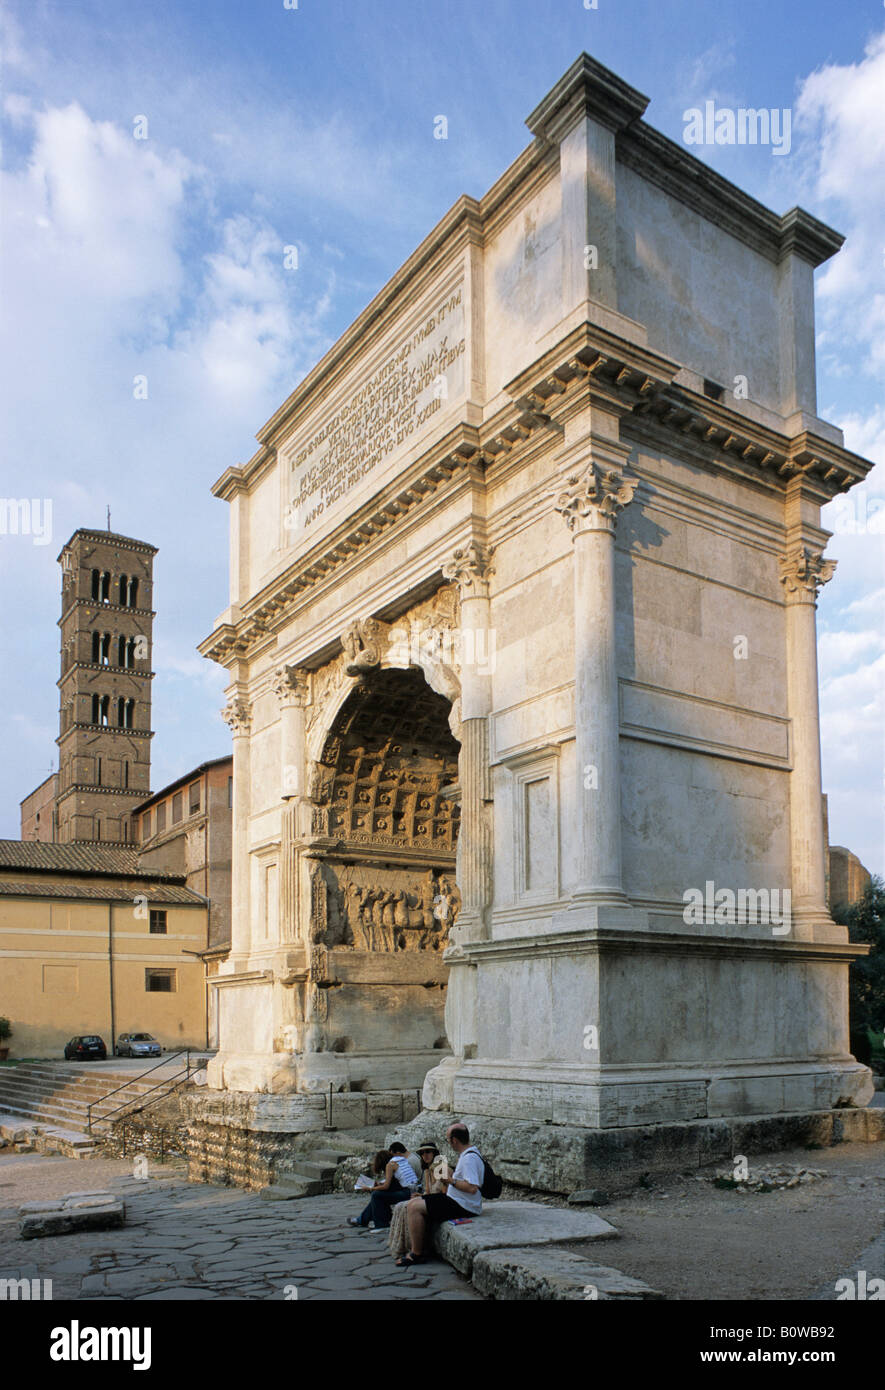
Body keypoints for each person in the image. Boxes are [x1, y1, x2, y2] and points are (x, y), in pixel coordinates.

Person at [397, 1122, 483, 1266]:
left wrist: (450, 1180)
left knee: (414, 1207)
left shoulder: (469, 1159)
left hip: (463, 1205)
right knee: (415, 1202)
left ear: (454, 1140)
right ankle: (421, 1246)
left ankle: (416, 1253)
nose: (449, 1143)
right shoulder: (468, 1155)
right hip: (457, 1200)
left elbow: (472, 1187)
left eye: (448, 1140)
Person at [388, 1141, 451, 1259]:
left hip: (440, 1201)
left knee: (408, 1206)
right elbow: (428, 1191)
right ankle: (403, 1246)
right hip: (431, 1199)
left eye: (428, 1152)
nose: (425, 1155)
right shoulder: (427, 1171)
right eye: (422, 1153)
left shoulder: (441, 1167)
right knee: (400, 1206)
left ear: (434, 1153)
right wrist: (420, 1195)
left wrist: (424, 1197)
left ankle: (415, 1248)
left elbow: (445, 1193)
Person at [348, 1143, 419, 1229]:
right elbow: (397, 1179)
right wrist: (379, 1185)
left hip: (408, 1193)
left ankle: (380, 1224)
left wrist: (370, 1188)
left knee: (376, 1195)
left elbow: (386, 1186)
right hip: (414, 1189)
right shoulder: (401, 1159)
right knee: (379, 1195)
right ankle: (361, 1220)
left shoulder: (390, 1165)